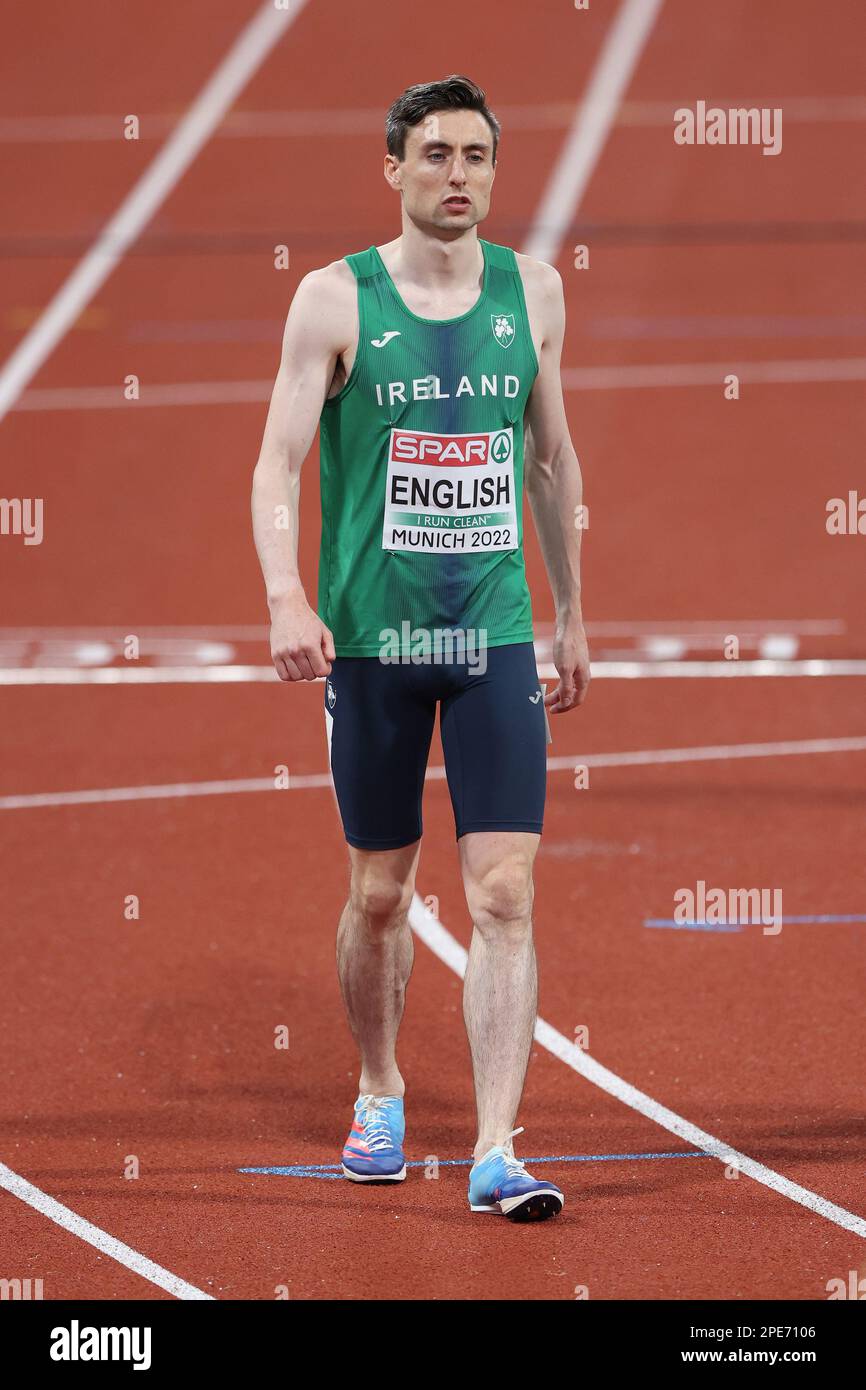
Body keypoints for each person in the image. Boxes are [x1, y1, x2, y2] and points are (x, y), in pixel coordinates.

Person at [252, 75, 590, 1221]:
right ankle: (379, 1086)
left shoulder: (532, 293)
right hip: (374, 648)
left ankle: (497, 1147)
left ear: (495, 173)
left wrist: (570, 615)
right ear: (393, 169)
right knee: (382, 895)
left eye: (477, 157)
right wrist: (285, 599)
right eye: (436, 154)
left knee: (503, 891)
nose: (459, 175)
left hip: (492, 636)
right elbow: (275, 463)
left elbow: (548, 460)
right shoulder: (332, 301)